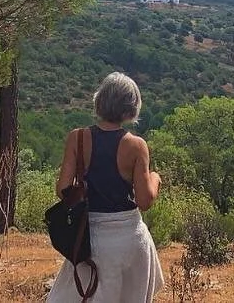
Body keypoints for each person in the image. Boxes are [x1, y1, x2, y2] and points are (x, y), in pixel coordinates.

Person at [46, 72, 164, 303]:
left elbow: (62, 190)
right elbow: (145, 201)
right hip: (129, 237)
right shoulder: (136, 145)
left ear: (99, 101)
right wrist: (155, 178)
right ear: (131, 107)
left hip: (89, 236)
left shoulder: (77, 138)